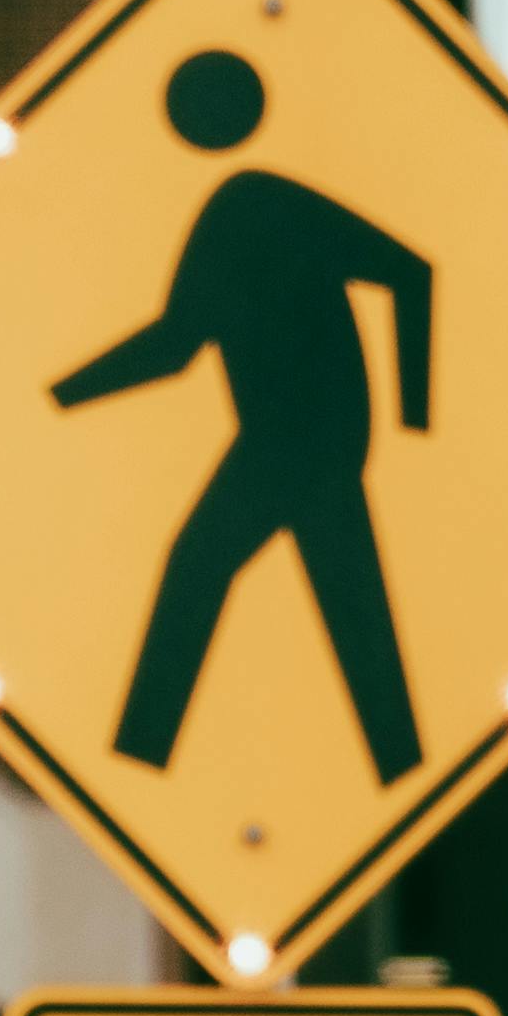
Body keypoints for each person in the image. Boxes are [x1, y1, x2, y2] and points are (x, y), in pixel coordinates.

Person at [50, 44, 436, 784]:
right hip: (291, 440)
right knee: (351, 607)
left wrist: (418, 418)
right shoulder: (227, 212)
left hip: (302, 440)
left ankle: (140, 755)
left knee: (199, 568)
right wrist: (62, 396)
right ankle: (399, 765)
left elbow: (411, 273)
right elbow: (176, 345)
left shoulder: (260, 202)